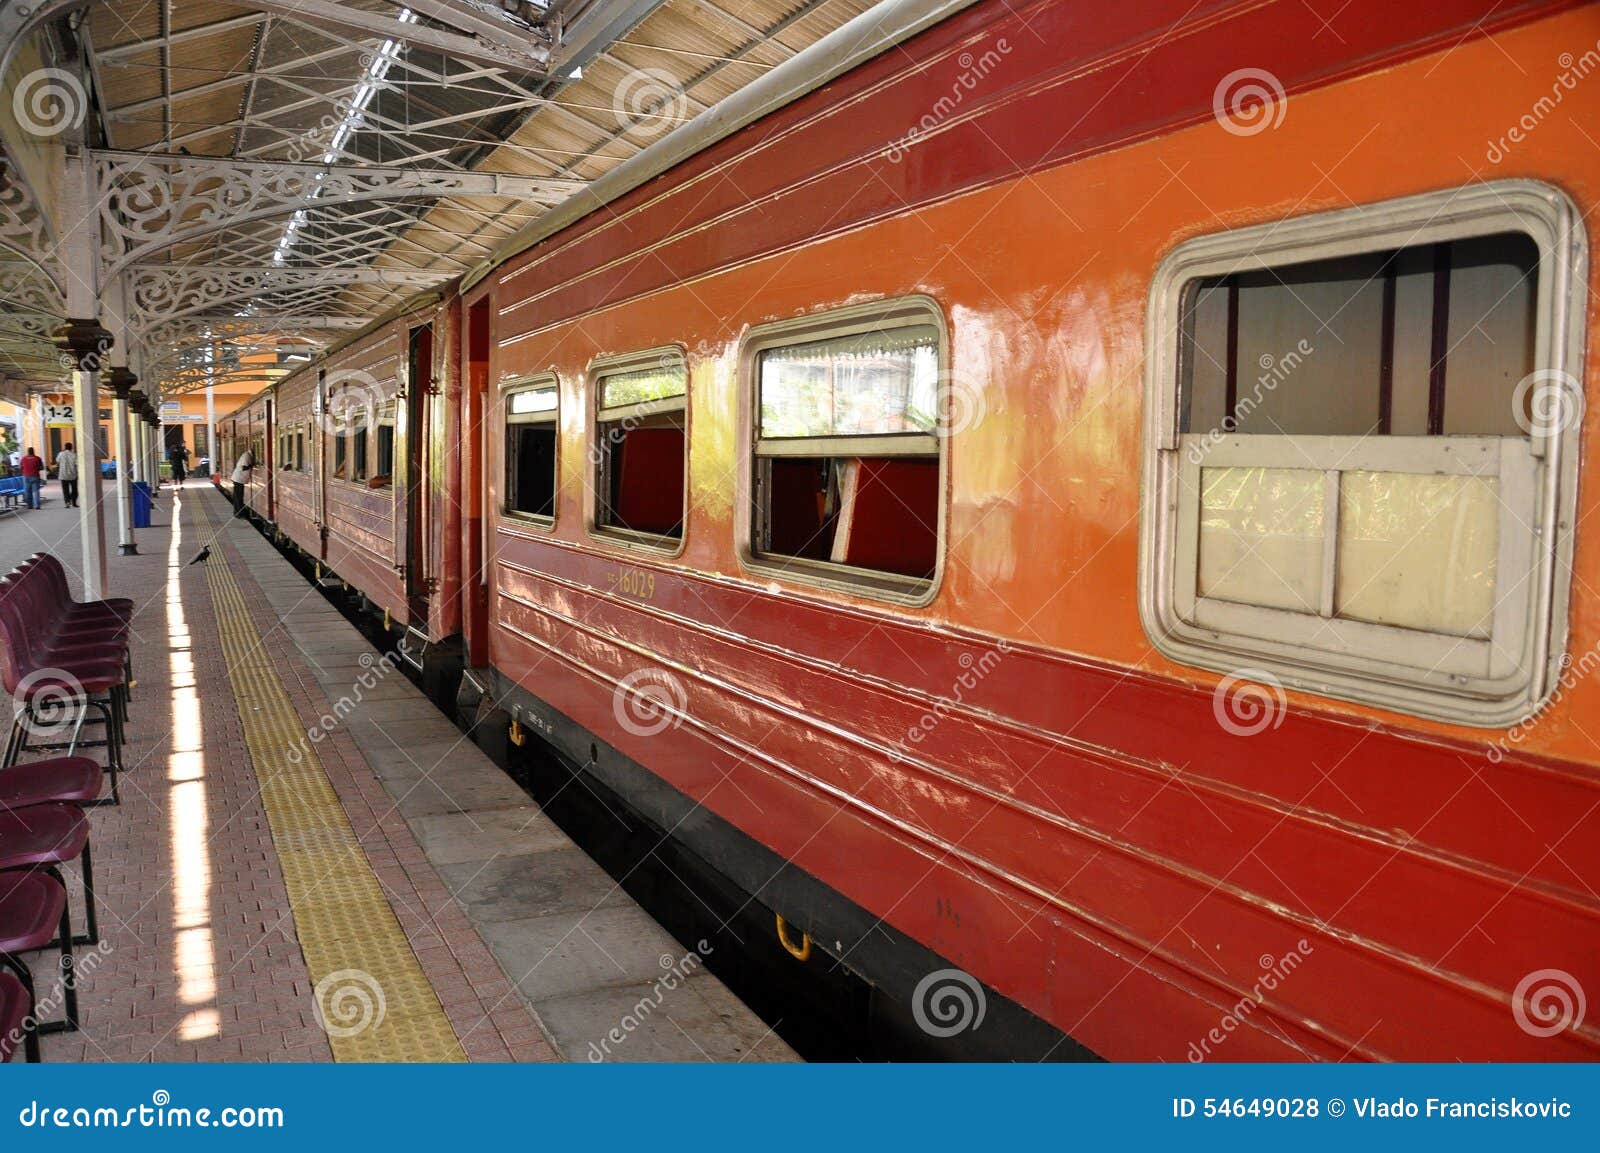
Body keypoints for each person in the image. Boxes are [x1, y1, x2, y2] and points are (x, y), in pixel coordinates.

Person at [231, 447, 254, 515]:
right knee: (238, 497)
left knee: (238, 496)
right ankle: (238, 513)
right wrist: (252, 465)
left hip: (239, 479)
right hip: (238, 479)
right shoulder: (247, 455)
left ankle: (237, 512)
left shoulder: (247, 455)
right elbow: (244, 467)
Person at [56, 442, 79, 508]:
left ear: (65, 447)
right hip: (73, 475)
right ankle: (74, 503)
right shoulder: (74, 455)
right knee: (74, 490)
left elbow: (57, 461)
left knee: (65, 490)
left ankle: (67, 503)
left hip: (63, 475)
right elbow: (77, 464)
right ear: (71, 447)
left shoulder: (60, 454)